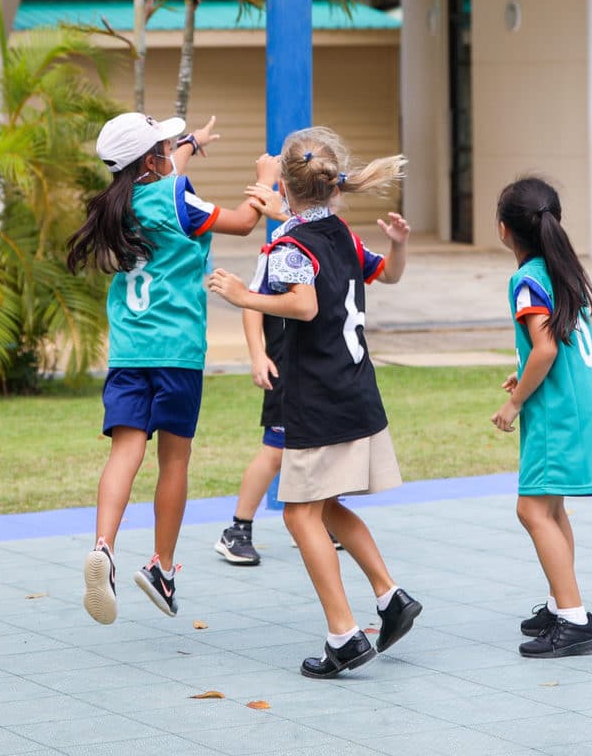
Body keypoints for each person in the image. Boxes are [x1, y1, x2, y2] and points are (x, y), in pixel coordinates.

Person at [205, 127, 422, 679]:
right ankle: (390, 596)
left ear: (285, 185)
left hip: (319, 398)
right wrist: (398, 244)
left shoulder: (291, 246)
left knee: (300, 514)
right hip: (356, 388)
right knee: (324, 507)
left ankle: (343, 635)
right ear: (331, 185)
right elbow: (390, 274)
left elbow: (302, 306)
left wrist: (242, 296)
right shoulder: (338, 233)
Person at [67, 113, 273, 625]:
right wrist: (265, 182)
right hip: (177, 351)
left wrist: (190, 144)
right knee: (174, 460)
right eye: (163, 144)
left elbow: (163, 175)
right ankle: (161, 568)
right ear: (149, 160)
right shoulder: (176, 198)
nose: (170, 149)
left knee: (125, 451)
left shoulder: (117, 204)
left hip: (129, 351)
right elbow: (243, 222)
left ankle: (103, 546)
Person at [491, 176, 592, 658]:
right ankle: (561, 605)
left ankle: (575, 619)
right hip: (578, 403)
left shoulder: (527, 280)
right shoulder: (562, 270)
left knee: (532, 510)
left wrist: (516, 402)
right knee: (552, 509)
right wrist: (525, 374)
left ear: (504, 230)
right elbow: (581, 342)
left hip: (554, 414)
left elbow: (545, 348)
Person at [214, 179, 295, 567]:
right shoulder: (279, 247)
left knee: (321, 448)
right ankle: (237, 530)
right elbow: (251, 303)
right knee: (275, 451)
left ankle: (321, 519)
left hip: (319, 369)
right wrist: (258, 355)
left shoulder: (329, 238)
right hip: (285, 365)